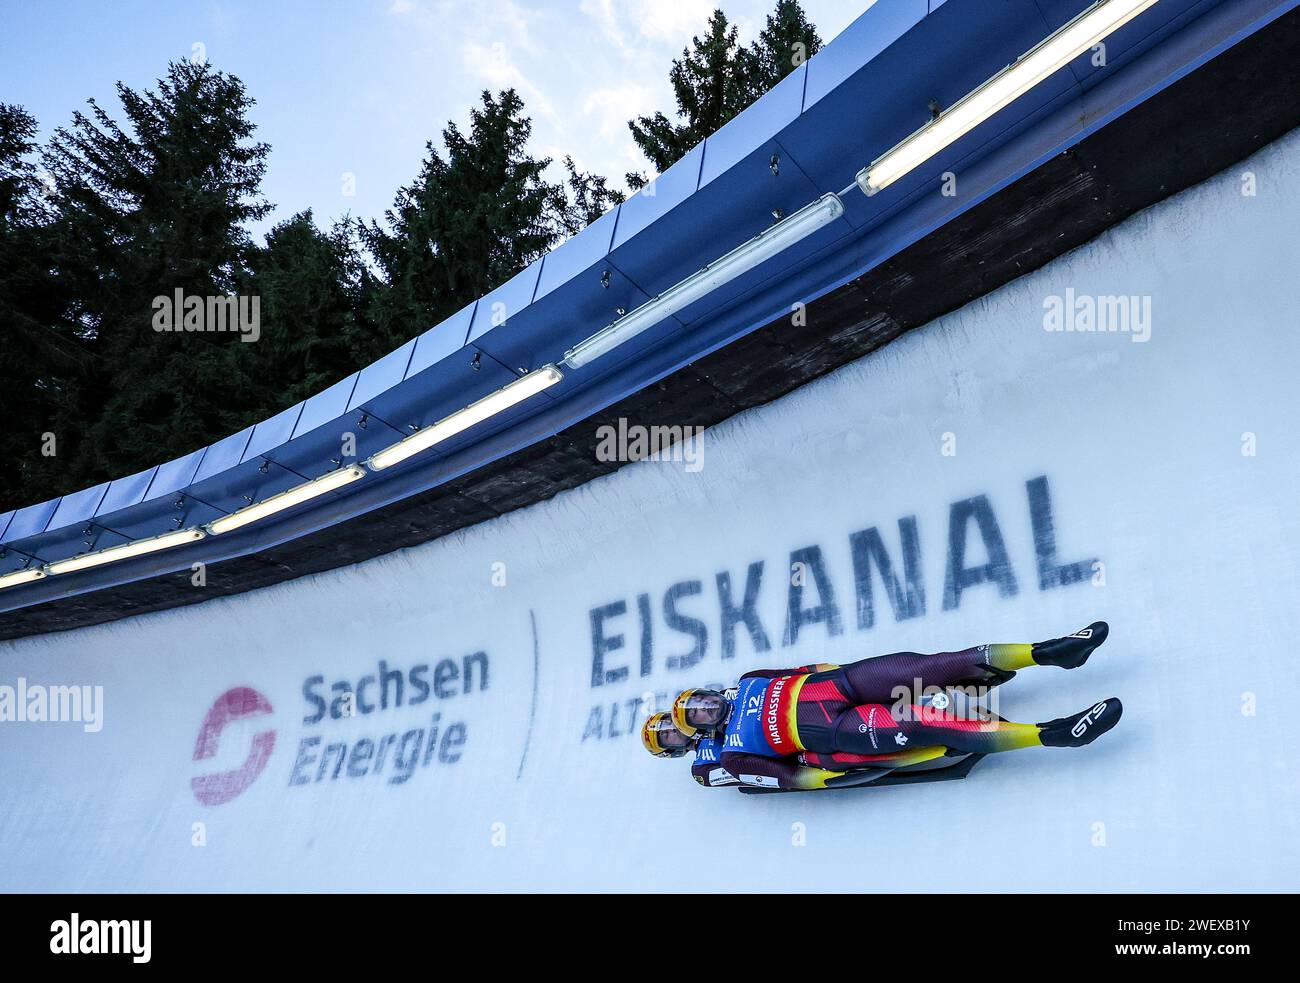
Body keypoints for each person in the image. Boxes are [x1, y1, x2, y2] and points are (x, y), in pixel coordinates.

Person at [657, 622, 1121, 791]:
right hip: (837, 728)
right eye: (698, 714)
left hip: (842, 683)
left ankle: (1052, 651)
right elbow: (789, 777)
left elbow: (805, 668)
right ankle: (1054, 733)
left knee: (937, 664)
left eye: (701, 700)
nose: (706, 707)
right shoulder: (734, 755)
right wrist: (833, 773)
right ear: (700, 732)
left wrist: (842, 672)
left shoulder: (748, 680)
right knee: (926, 720)